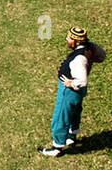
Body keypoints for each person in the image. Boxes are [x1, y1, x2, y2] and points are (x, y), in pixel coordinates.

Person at [40, 27, 106, 156]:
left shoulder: (79, 59)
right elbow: (101, 56)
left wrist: (71, 83)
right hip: (79, 92)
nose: (67, 39)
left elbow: (82, 81)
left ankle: (57, 147)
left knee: (61, 115)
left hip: (69, 91)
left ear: (76, 42)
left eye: (69, 38)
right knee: (75, 111)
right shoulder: (90, 47)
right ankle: (71, 136)